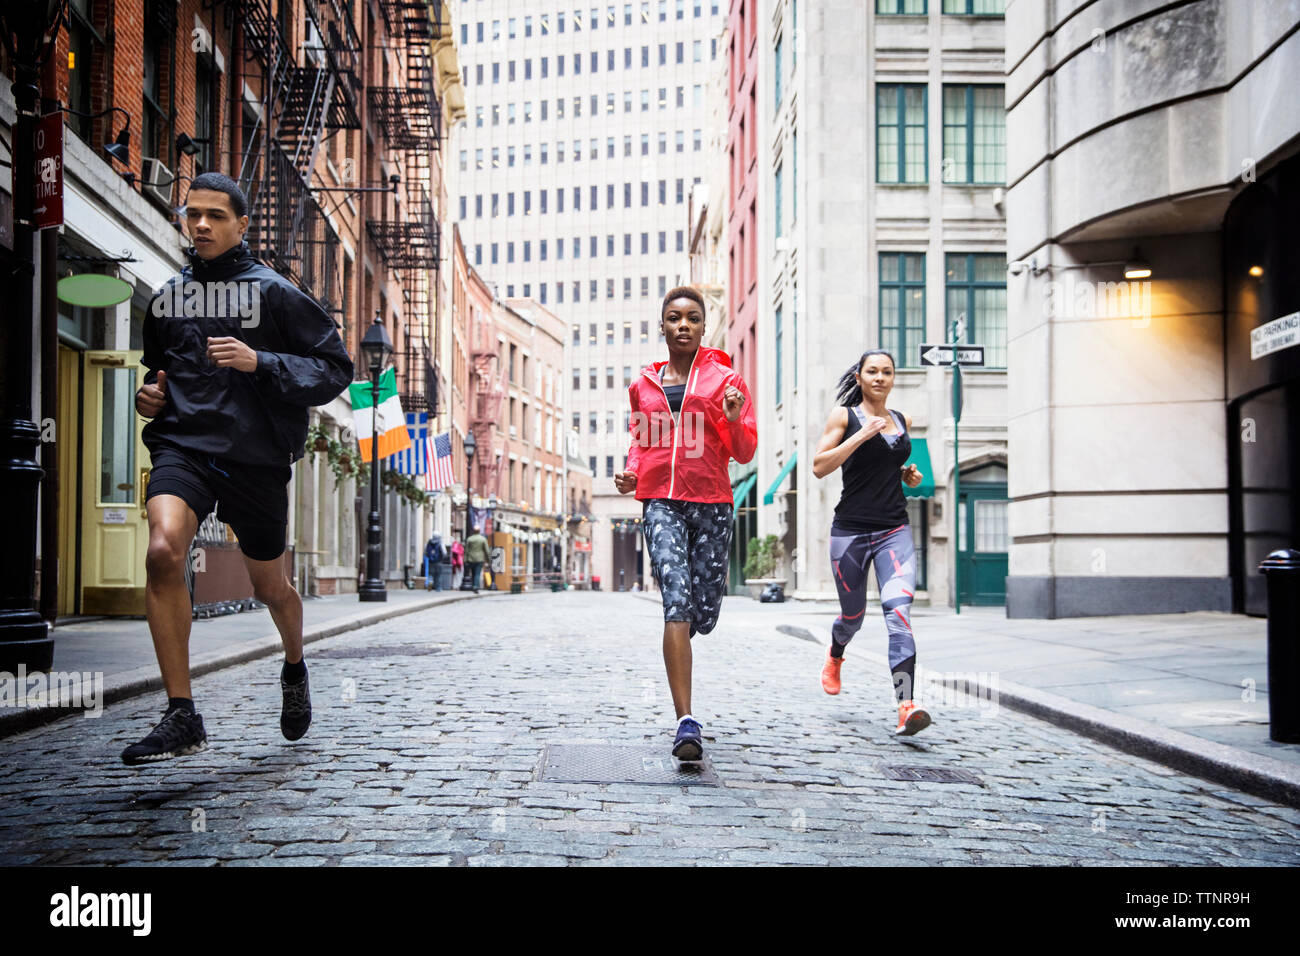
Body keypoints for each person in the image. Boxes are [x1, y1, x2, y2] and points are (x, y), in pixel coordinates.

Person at [123, 172, 353, 765]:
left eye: (215, 216)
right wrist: (151, 396)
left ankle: (295, 666)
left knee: (269, 586)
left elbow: (334, 369)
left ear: (242, 225)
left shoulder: (275, 293)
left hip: (255, 458)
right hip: (186, 445)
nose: (200, 224)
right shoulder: (170, 294)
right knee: (162, 549)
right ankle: (182, 712)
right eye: (191, 213)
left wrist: (261, 361)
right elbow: (160, 373)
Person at [614, 287, 757, 761]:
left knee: (703, 613)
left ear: (702, 327)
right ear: (663, 326)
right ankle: (685, 721)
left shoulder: (725, 381)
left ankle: (685, 633)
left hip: (712, 501)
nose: (683, 325)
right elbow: (642, 439)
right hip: (661, 502)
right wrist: (633, 470)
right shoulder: (643, 386)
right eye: (674, 318)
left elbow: (743, 451)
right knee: (676, 599)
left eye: (692, 318)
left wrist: (733, 420)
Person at [811, 349, 929, 736]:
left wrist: (906, 474)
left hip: (894, 529)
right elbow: (819, 466)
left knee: (898, 614)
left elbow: (887, 467)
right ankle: (835, 652)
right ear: (859, 377)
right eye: (872, 371)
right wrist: (860, 435)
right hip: (851, 532)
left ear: (893, 378)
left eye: (887, 372)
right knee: (853, 616)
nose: (880, 377)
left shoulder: (902, 420)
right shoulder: (844, 416)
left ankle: (906, 704)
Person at [463, 528, 490, 592]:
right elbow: (487, 550)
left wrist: (465, 559)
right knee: (477, 573)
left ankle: (473, 585)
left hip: (471, 558)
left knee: (473, 573)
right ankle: (475, 586)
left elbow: (466, 550)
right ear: (479, 531)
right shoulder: (483, 539)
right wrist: (488, 559)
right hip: (479, 559)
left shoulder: (470, 539)